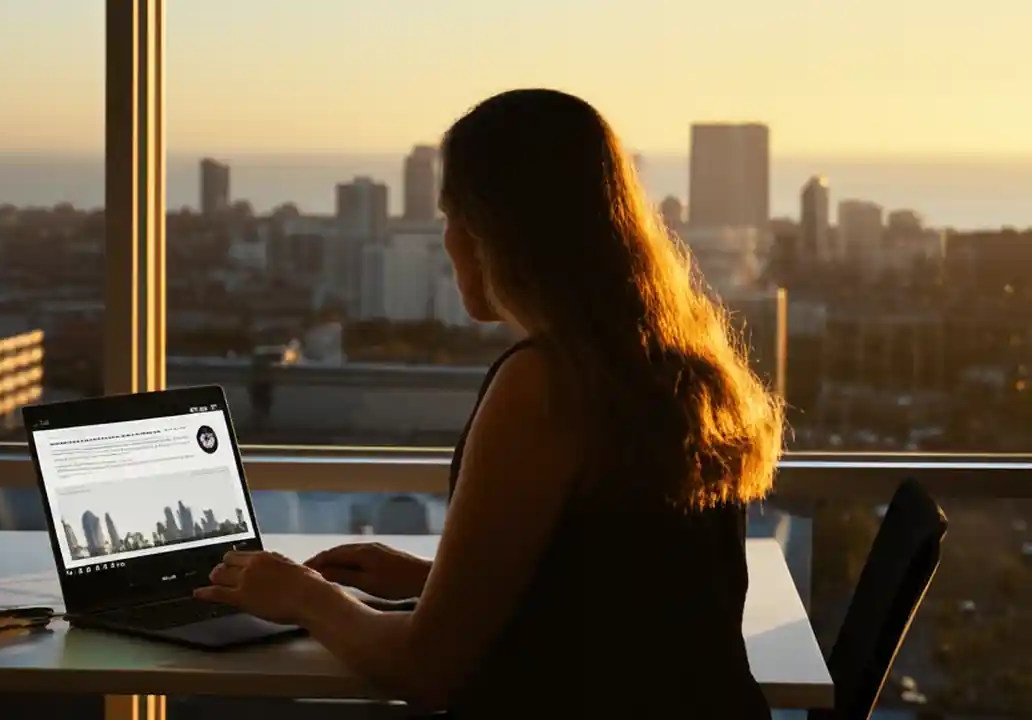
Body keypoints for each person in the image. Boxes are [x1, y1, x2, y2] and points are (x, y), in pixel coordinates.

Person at [196, 89, 784, 717]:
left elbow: (424, 671)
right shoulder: (681, 368)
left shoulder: (545, 385)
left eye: (452, 215)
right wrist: (437, 584)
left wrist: (305, 595)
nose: (446, 237)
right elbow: (623, 604)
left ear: (491, 232)